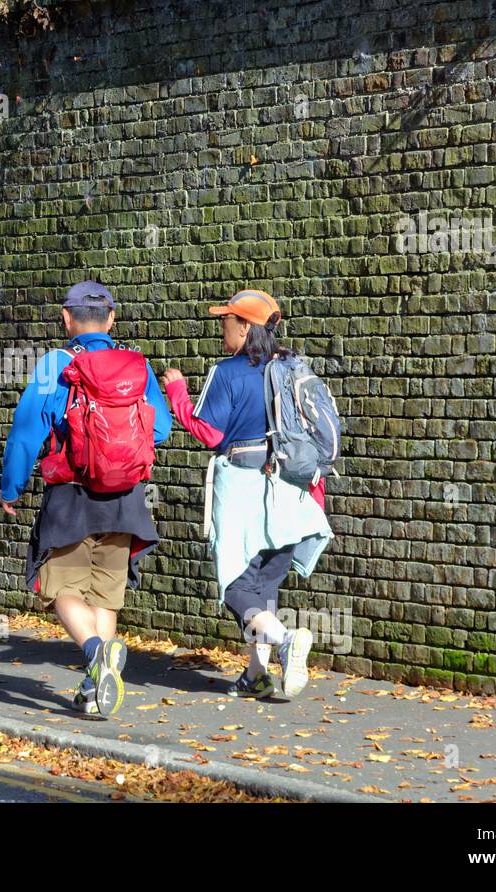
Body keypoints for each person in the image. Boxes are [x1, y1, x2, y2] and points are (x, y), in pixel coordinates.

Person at [0, 281, 172, 716]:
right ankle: (98, 689)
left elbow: (26, 433)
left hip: (72, 497)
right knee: (104, 597)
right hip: (126, 500)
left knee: (59, 589)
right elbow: (161, 429)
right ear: (112, 319)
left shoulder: (56, 364)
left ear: (66, 318)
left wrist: (11, 488)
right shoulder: (137, 365)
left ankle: (96, 651)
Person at [162, 289, 332, 699]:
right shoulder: (292, 368)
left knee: (237, 586)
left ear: (244, 326)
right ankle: (257, 673)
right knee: (265, 586)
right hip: (292, 492)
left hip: (243, 488)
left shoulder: (228, 372)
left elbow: (210, 433)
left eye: (227, 319)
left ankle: (287, 640)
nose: (222, 325)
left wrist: (178, 394)